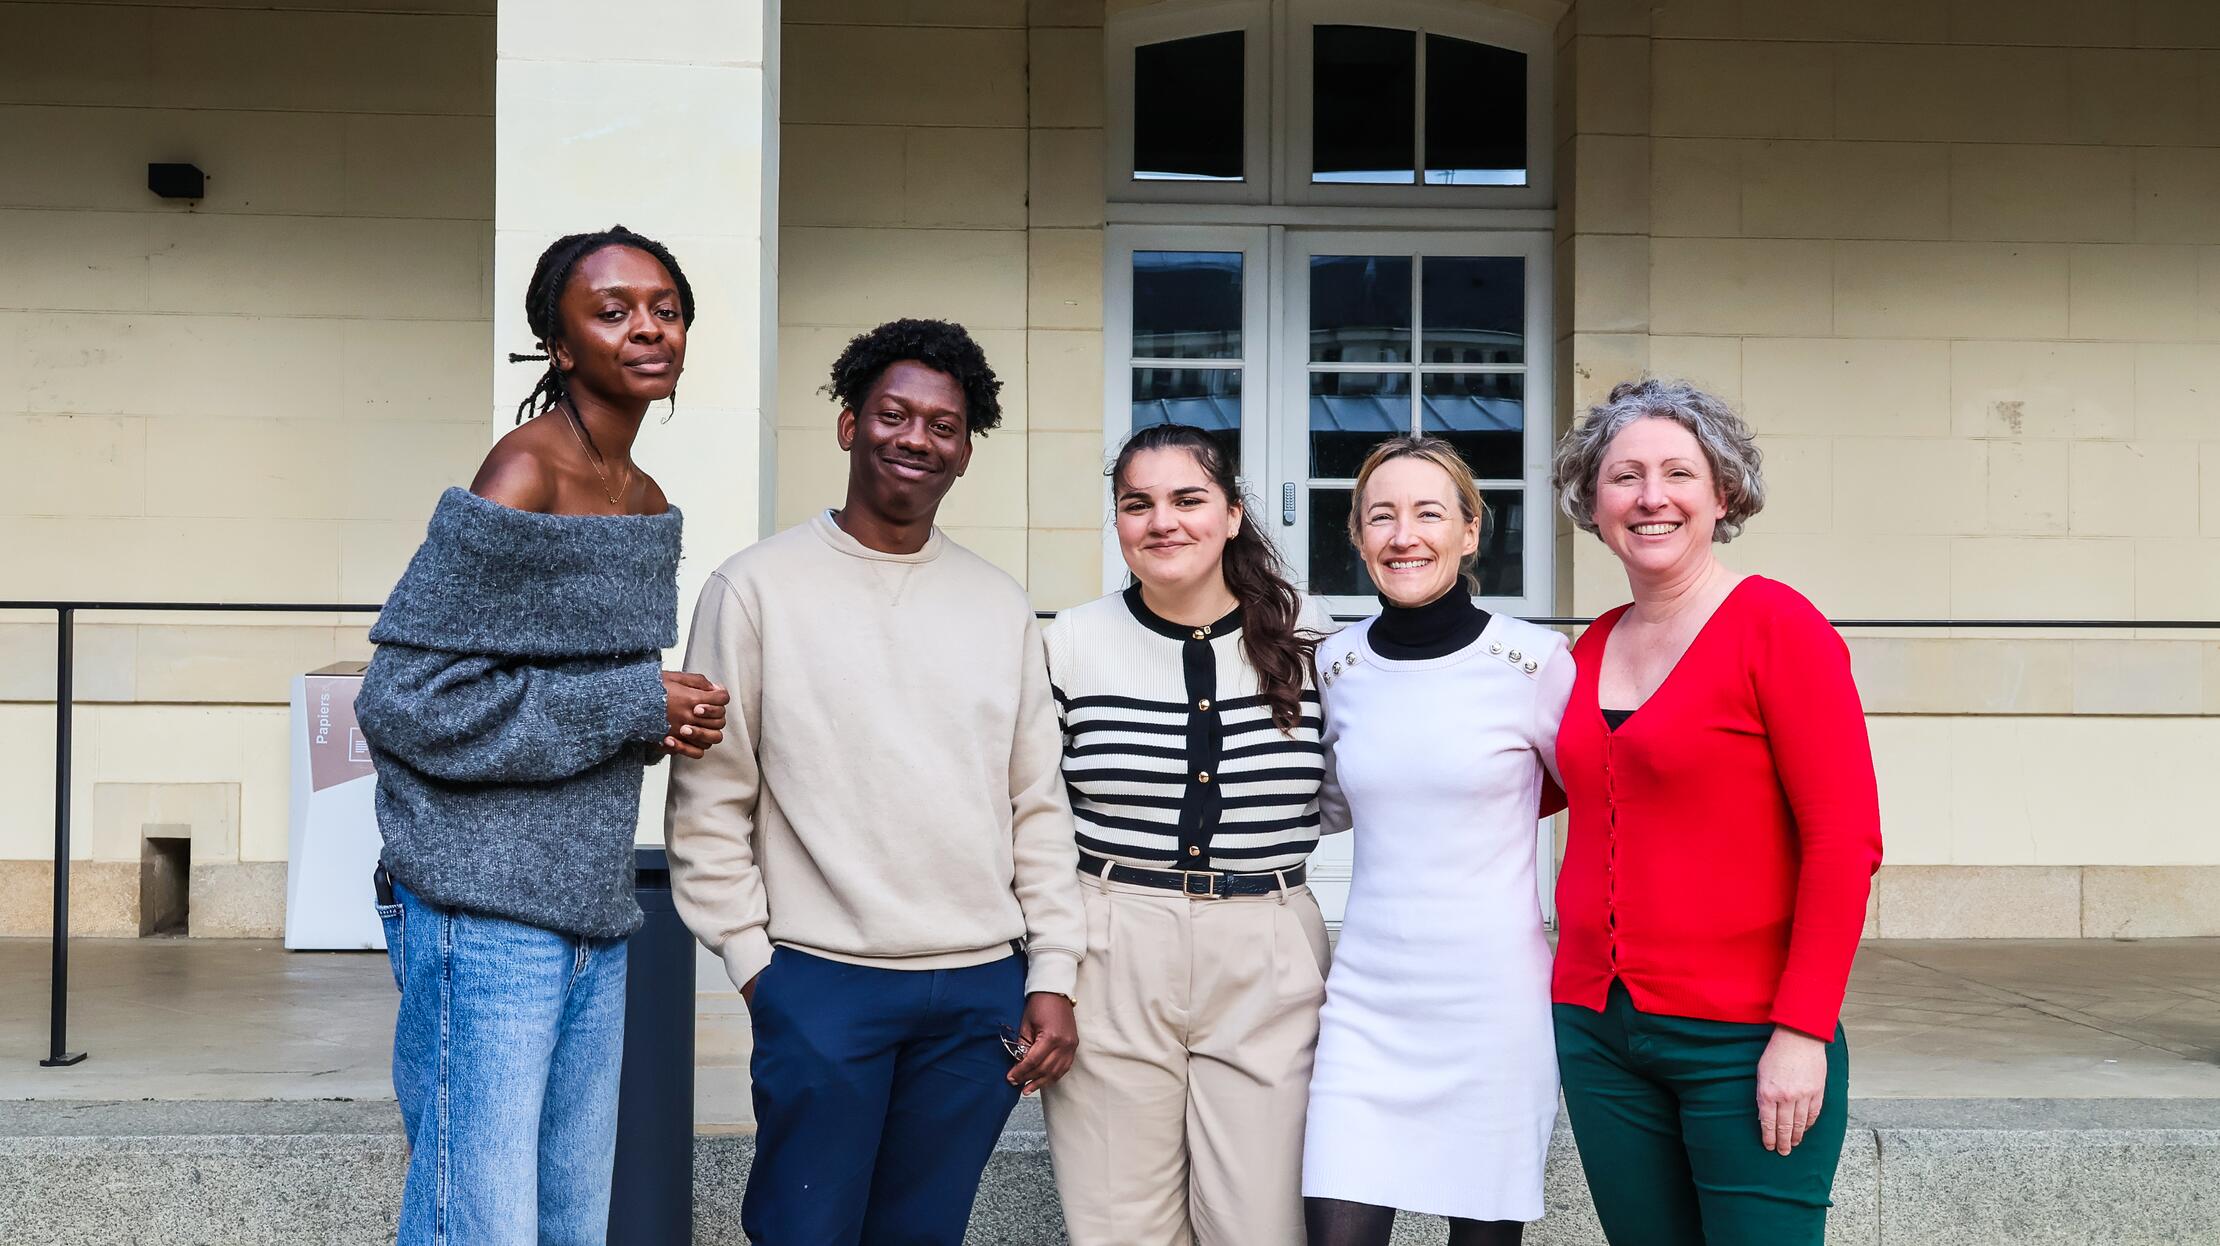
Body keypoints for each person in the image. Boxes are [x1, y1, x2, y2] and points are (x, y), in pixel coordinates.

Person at [663, 318, 1087, 1246]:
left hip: (978, 989)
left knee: (923, 1234)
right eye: (894, 414)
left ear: (966, 452)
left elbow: (1036, 806)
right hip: (820, 982)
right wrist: (753, 964)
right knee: (802, 1231)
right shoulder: (754, 588)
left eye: (943, 425)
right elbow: (711, 800)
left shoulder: (997, 603)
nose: (916, 438)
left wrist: (1050, 971)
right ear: (850, 425)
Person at [355, 225, 732, 1246]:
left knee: (568, 1219)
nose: (648, 326)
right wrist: (629, 704)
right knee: (478, 1224)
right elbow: (405, 699)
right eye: (612, 311)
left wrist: (660, 716)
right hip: (481, 913)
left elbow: (562, 689)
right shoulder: (522, 473)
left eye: (665, 306)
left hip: (589, 909)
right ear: (559, 347)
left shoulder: (644, 499)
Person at [1547, 378, 1883, 1246]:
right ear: (1592, 501)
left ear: (1721, 492)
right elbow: (1506, 785)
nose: (1650, 498)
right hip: (1599, 1033)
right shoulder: (1589, 647)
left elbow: (1845, 844)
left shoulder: (1778, 626)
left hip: (1746, 1041)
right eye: (1624, 477)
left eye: (1677, 473)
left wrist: (1803, 1031)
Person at [1041, 422, 1333, 1246]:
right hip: (1112, 942)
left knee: (1261, 1227)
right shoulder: (1073, 642)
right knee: (1119, 1228)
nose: (1162, 521)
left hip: (1268, 946)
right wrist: (1053, 969)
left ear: (1233, 514)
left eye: (1188, 499)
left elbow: (1355, 791)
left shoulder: (1315, 640)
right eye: (1138, 504)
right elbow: (1034, 819)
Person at [1300, 436, 1572, 1246]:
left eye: (1428, 513)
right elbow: (1320, 804)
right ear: (1356, 535)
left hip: (1492, 1009)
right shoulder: (1336, 664)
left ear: (1471, 531)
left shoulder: (1532, 662)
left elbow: (1597, 795)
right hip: (1366, 1008)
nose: (1403, 535)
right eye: (1380, 516)